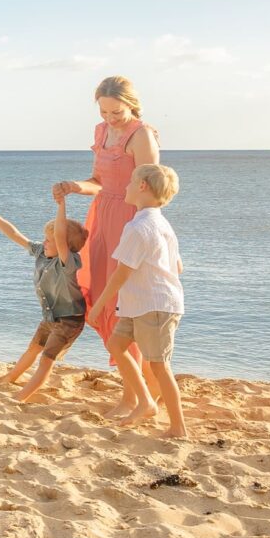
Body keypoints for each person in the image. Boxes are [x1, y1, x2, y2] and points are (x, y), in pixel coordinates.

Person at [52, 76, 160, 349]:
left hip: (131, 220)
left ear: (131, 105)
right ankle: (128, 374)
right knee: (101, 292)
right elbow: (99, 182)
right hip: (101, 217)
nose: (110, 118)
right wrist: (73, 187)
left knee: (125, 298)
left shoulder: (141, 134)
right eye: (103, 112)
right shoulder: (101, 131)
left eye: (116, 112)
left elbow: (152, 189)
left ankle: (140, 377)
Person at [86, 163, 187, 439]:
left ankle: (178, 428)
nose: (126, 186)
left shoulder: (140, 227)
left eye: (131, 182)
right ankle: (145, 402)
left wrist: (97, 306)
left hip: (155, 304)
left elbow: (121, 273)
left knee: (160, 365)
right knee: (116, 344)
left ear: (142, 186)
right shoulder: (160, 222)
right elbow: (178, 266)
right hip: (138, 303)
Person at [0, 193, 88, 401]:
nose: (44, 242)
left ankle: (22, 396)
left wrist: (61, 205)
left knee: (46, 359)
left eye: (49, 240)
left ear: (62, 246)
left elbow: (60, 236)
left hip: (68, 321)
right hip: (50, 317)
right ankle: (11, 377)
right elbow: (15, 235)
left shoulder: (68, 263)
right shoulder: (43, 253)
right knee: (33, 348)